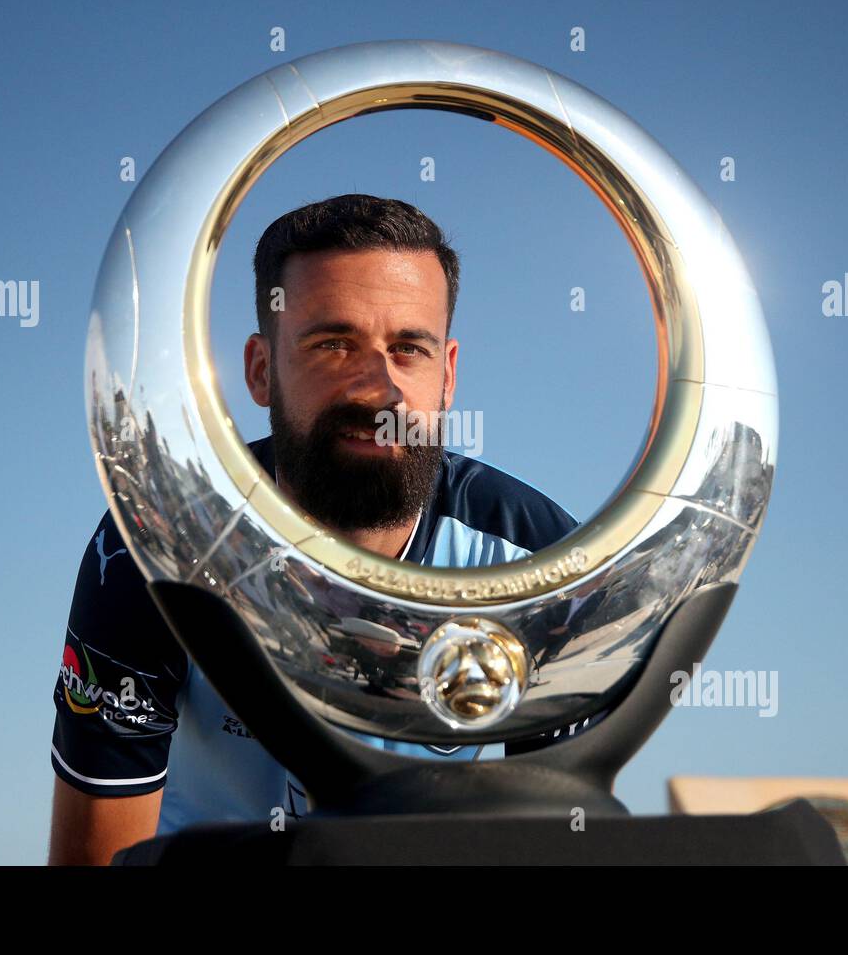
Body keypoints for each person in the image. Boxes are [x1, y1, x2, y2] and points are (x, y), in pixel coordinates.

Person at [47, 194, 591, 865]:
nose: (380, 388)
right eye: (333, 345)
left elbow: (565, 832)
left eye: (409, 348)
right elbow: (95, 857)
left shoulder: (537, 556)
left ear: (447, 374)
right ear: (259, 369)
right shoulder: (154, 542)